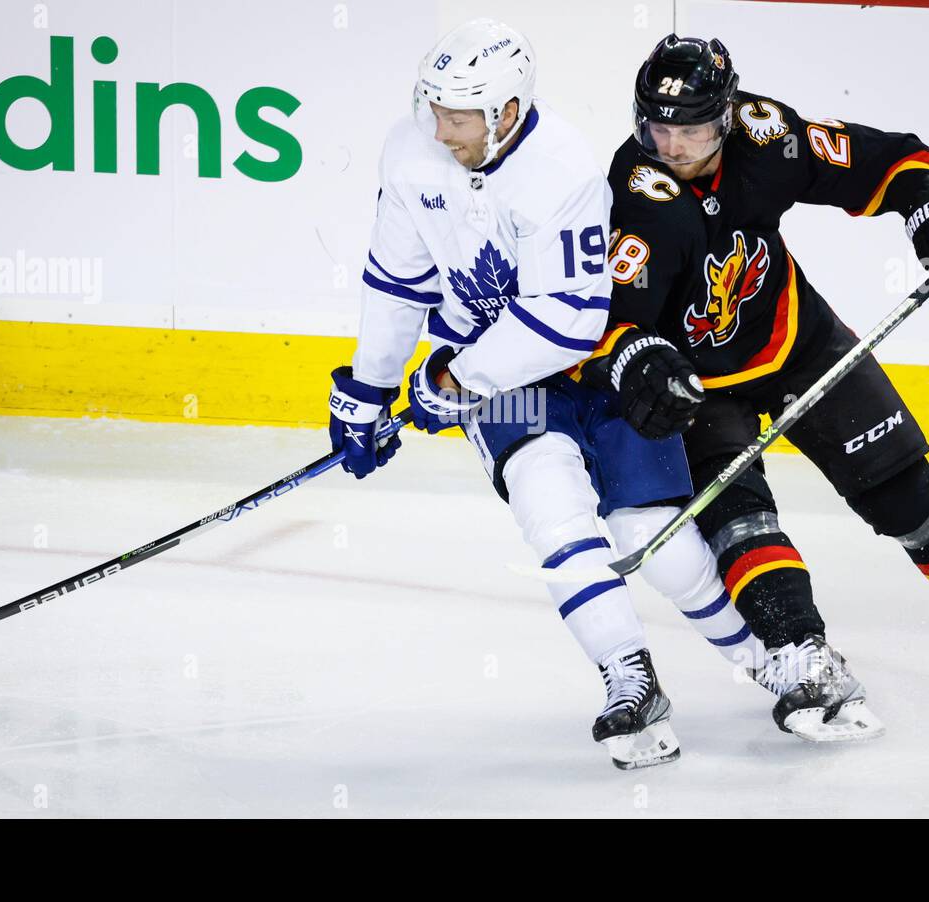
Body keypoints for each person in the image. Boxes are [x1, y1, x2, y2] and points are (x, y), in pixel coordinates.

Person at [579, 35, 929, 733]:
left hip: (799, 344)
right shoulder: (636, 195)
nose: (672, 143)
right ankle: (803, 654)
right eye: (659, 126)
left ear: (726, 115)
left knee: (909, 500)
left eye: (690, 126)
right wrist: (640, 360)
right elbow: (603, 321)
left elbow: (887, 158)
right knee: (742, 523)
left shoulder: (768, 135)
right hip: (702, 387)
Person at [327, 20, 774, 769]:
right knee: (548, 505)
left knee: (652, 541)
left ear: (505, 111)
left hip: (597, 367)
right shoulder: (412, 153)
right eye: (433, 108)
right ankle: (629, 678)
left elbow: (568, 322)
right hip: (499, 379)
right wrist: (368, 391)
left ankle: (775, 663)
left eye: (458, 116)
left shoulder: (559, 165)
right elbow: (396, 283)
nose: (440, 130)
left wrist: (456, 382)